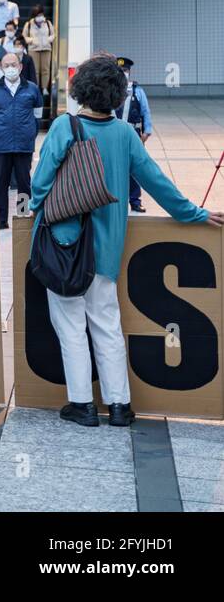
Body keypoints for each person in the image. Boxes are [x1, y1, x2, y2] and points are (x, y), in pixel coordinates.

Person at [30, 54, 223, 428]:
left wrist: (40, 210)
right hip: (107, 252)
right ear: (118, 96)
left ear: (79, 89)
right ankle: (120, 405)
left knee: (70, 325)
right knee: (107, 323)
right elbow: (157, 182)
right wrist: (194, 213)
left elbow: (39, 185)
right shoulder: (124, 134)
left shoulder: (62, 128)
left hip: (65, 245)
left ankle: (82, 404)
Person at [0, 51, 42, 230]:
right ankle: (1, 221)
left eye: (13, 65)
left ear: (20, 67)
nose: (10, 68)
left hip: (24, 145)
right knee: (1, 183)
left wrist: (29, 133)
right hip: (1, 145)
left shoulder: (32, 88)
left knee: (24, 182)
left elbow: (37, 116)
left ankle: (23, 215)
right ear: (2, 68)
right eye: (6, 65)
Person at [114, 56, 153, 214]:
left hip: (135, 134)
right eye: (120, 71)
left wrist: (147, 131)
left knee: (134, 168)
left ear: (129, 72)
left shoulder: (138, 91)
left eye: (125, 71)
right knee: (116, 167)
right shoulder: (111, 90)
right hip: (115, 134)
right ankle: (116, 200)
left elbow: (145, 111)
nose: (123, 73)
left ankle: (135, 201)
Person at [25, 6, 55, 95]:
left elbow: (53, 34)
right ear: (34, 16)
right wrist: (32, 41)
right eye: (38, 15)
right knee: (36, 70)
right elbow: (25, 36)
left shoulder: (48, 23)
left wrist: (49, 39)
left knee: (45, 69)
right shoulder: (29, 24)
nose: (40, 16)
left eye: (41, 14)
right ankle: (36, 87)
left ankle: (45, 88)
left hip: (46, 48)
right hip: (33, 49)